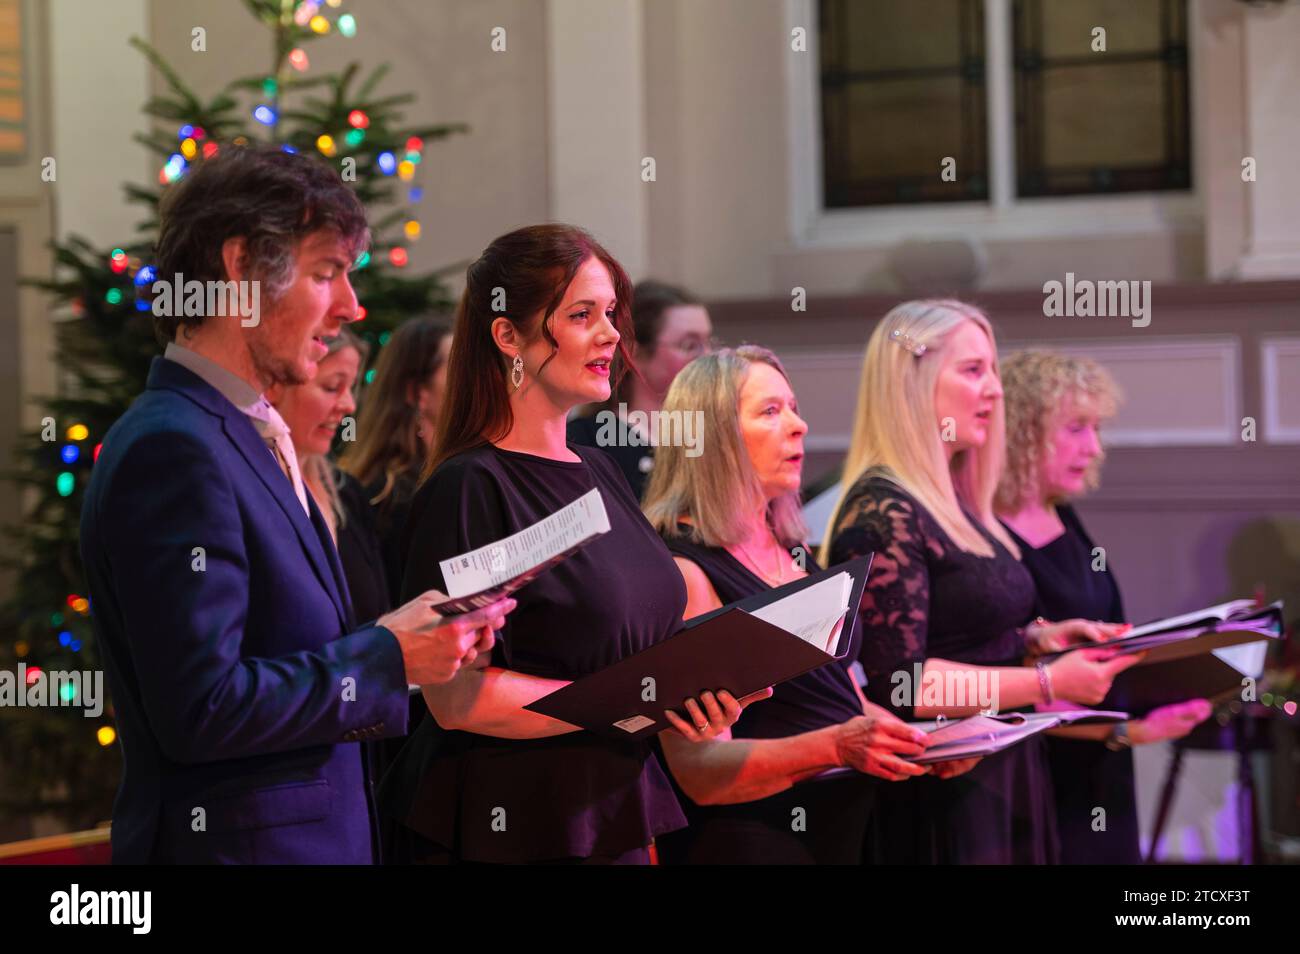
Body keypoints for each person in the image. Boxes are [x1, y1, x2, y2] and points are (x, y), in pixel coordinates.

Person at [79, 144, 513, 864]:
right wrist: (388, 659)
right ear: (242, 268)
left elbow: (292, 651)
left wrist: (408, 639)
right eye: (326, 272)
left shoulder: (239, 433)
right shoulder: (175, 446)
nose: (350, 305)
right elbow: (202, 708)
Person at [379, 224, 762, 865]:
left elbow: (638, 646)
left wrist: (697, 690)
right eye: (582, 315)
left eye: (611, 312)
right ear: (508, 336)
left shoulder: (599, 468)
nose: (611, 334)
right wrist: (636, 698)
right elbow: (455, 699)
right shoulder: (469, 485)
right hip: (509, 819)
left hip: (612, 804)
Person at [824, 299, 1141, 864]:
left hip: (1002, 768)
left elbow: (963, 632)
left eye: (992, 369)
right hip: (944, 793)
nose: (994, 389)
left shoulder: (954, 502)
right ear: (913, 382)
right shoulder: (882, 508)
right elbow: (903, 683)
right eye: (973, 370)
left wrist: (1038, 640)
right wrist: (1047, 683)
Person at [643, 346, 986, 864]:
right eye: (770, 411)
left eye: (795, 407)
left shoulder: (797, 554)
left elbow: (842, 701)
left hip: (842, 829)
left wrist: (926, 741)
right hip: (752, 843)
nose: (800, 425)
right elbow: (700, 771)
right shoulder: (684, 570)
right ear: (711, 438)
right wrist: (836, 746)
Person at [996, 349, 1212, 864]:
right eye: (1076, 428)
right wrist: (1129, 730)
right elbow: (1003, 688)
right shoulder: (983, 536)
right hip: (1036, 783)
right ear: (1022, 430)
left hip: (1101, 774)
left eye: (1096, 429)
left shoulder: (1062, 515)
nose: (1093, 448)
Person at [269, 326, 388, 625]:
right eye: (332, 387)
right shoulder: (256, 494)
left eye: (351, 388)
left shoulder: (348, 494)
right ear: (277, 386)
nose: (349, 405)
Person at [339, 317, 452, 604]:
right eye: (458, 368)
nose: (477, 379)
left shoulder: (466, 470)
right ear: (417, 393)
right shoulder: (386, 496)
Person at [567, 280, 713, 498]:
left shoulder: (715, 434)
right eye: (690, 345)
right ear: (633, 351)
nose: (707, 356)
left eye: (709, 342)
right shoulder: (586, 442)